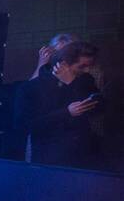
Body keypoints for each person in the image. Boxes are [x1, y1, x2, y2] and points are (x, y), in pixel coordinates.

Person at [21, 40, 104, 168]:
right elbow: (25, 125)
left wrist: (71, 83)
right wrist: (66, 113)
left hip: (83, 156)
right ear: (64, 64)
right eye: (82, 66)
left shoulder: (85, 80)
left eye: (89, 65)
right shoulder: (33, 87)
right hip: (50, 159)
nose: (87, 70)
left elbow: (99, 108)